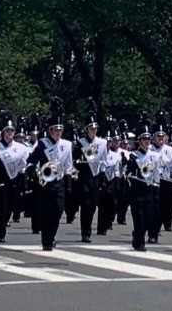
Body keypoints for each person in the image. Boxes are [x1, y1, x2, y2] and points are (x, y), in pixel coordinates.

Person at [26, 100, 72, 251]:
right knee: (46, 212)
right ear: (50, 130)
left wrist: (69, 183)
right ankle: (47, 240)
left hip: (59, 182)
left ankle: (51, 236)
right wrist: (32, 170)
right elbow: (31, 161)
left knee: (58, 210)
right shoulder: (42, 144)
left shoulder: (67, 145)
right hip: (45, 183)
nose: (58, 132)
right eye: (55, 129)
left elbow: (68, 165)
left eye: (60, 129)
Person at [0, 118, 29, 243]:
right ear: (3, 132)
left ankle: (2, 222)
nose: (10, 133)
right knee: (1, 207)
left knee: (11, 206)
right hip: (0, 180)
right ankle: (0, 232)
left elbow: (22, 165)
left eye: (12, 131)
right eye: (7, 131)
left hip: (14, 181)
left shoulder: (20, 148)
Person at [72, 101, 107, 243]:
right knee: (85, 205)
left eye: (95, 128)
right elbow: (73, 161)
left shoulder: (103, 143)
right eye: (91, 128)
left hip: (96, 177)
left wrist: (103, 179)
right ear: (86, 129)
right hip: (84, 177)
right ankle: (85, 232)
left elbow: (104, 162)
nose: (94, 130)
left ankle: (88, 229)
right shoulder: (80, 143)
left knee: (93, 205)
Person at [126, 112, 161, 251]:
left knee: (149, 219)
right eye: (144, 139)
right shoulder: (133, 156)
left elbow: (157, 173)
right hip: (137, 191)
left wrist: (157, 190)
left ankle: (138, 235)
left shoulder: (155, 156)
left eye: (148, 139)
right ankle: (139, 242)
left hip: (150, 190)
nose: (147, 141)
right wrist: (135, 173)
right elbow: (128, 173)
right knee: (139, 219)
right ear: (139, 141)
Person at [151, 111, 172, 237]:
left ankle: (157, 229)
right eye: (158, 136)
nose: (161, 139)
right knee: (153, 208)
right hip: (152, 181)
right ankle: (152, 231)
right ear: (154, 137)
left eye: (163, 136)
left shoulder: (171, 151)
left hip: (166, 182)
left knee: (164, 209)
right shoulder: (149, 149)